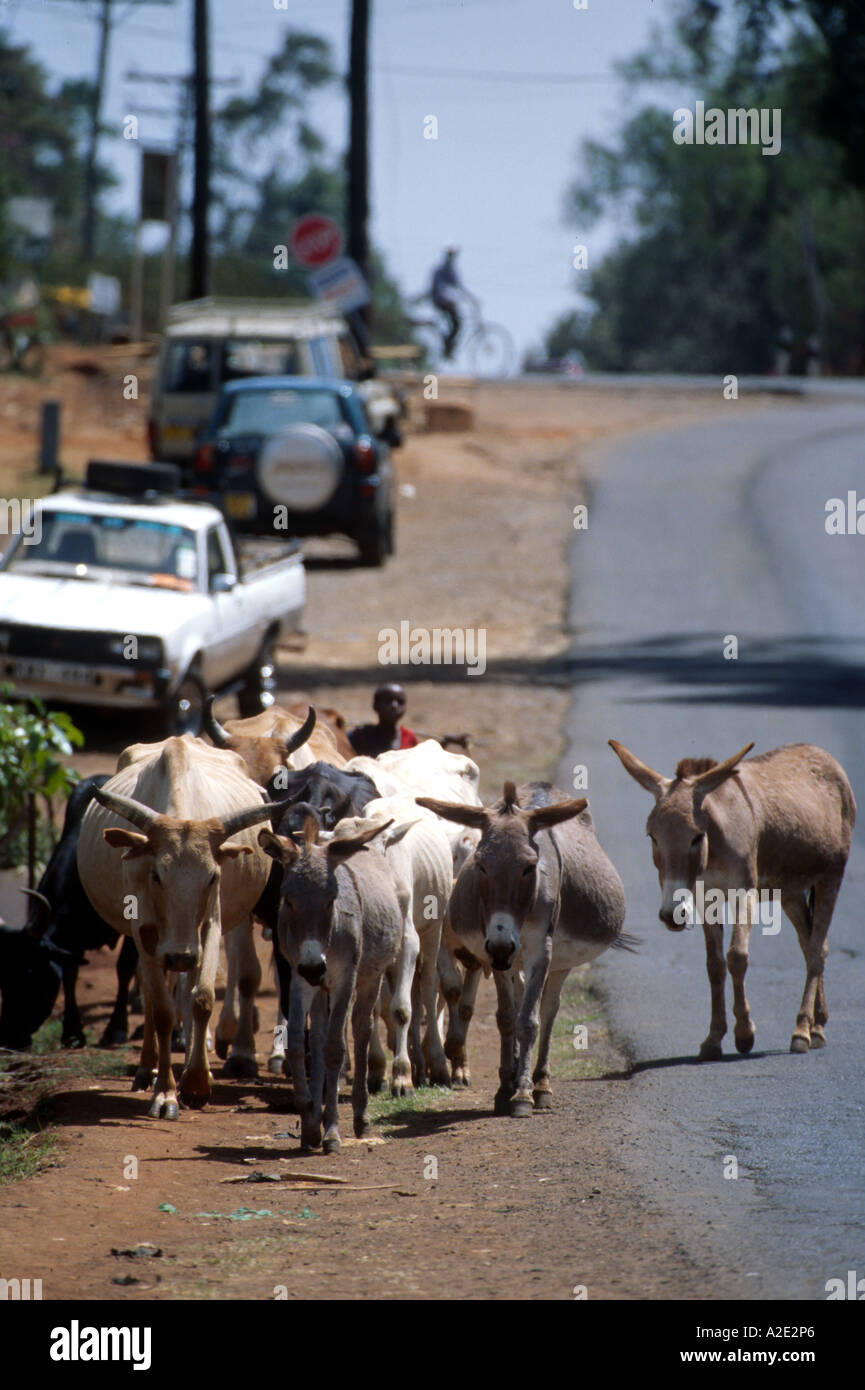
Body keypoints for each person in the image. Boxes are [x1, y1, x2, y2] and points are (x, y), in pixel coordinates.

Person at [430, 246, 478, 359]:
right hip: (442, 301)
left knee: (454, 323)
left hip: (441, 300)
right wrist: (471, 299)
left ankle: (447, 347)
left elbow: (456, 288)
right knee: (457, 324)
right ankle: (447, 348)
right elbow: (456, 288)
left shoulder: (445, 269)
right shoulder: (446, 269)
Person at [348, 683, 420, 756]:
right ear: (375, 706)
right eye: (388, 701)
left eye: (400, 701)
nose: (394, 706)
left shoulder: (410, 739)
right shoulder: (358, 737)